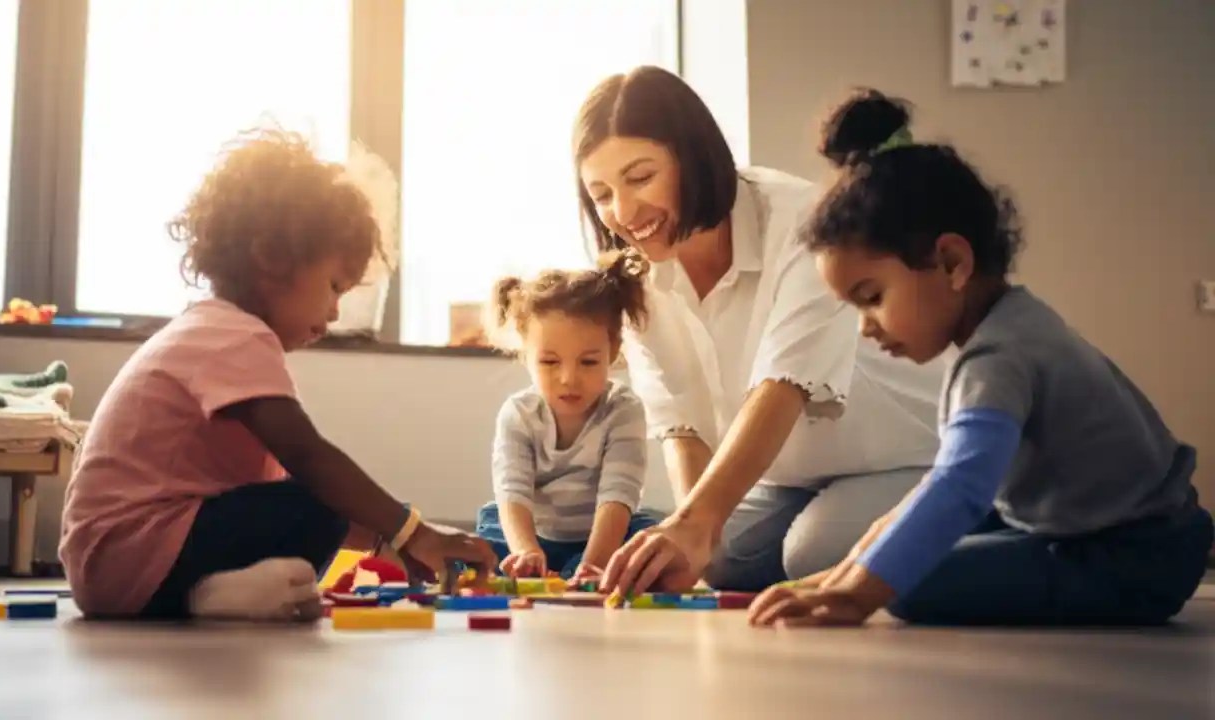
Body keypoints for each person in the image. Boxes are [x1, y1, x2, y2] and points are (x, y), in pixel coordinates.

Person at [748, 88, 1213, 627]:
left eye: (872, 298)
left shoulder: (999, 356)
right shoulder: (1010, 322)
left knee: (911, 584)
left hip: (1133, 555)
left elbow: (961, 487)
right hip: (1118, 530)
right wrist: (846, 570)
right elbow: (943, 487)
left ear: (951, 262)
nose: (864, 326)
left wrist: (859, 594)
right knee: (901, 552)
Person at [59, 128, 495, 621]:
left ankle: (217, 590)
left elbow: (287, 484)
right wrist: (415, 532)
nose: (333, 313)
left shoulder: (211, 330)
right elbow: (310, 460)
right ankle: (205, 595)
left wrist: (388, 546)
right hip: (135, 555)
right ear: (272, 257)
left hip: (111, 566)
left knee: (309, 498)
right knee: (315, 493)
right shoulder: (234, 335)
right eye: (333, 287)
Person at [572, 66, 944, 596]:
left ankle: (988, 513)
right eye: (602, 193)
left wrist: (697, 525)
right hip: (794, 479)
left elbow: (783, 386)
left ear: (693, 157)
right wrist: (690, 529)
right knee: (719, 562)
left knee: (809, 552)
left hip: (907, 452)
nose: (623, 212)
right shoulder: (637, 278)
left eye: (640, 178)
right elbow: (683, 427)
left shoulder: (803, 222)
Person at [477, 249, 660, 581]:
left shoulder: (623, 409)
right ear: (526, 353)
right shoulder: (518, 414)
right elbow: (512, 490)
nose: (568, 379)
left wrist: (595, 564)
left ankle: (577, 568)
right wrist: (525, 550)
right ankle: (535, 566)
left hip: (603, 534)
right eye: (549, 362)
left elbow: (619, 494)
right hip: (536, 532)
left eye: (588, 362)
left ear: (614, 349)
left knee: (649, 537)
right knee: (487, 530)